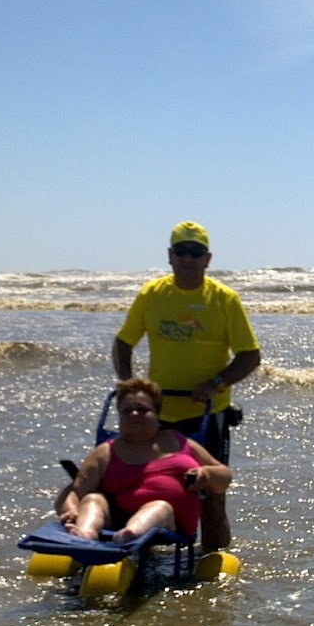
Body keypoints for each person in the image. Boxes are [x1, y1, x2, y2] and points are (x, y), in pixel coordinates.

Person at [111, 221, 260, 549]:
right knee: (142, 486)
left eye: (195, 252)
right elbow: (123, 342)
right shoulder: (153, 295)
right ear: (170, 255)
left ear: (208, 258)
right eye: (181, 250)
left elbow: (250, 356)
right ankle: (136, 549)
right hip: (156, 416)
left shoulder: (224, 300)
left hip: (208, 415)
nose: (187, 257)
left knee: (211, 494)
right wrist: (126, 383)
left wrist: (215, 384)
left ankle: (213, 559)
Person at [58, 379, 232, 543]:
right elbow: (76, 492)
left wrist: (207, 474)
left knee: (157, 506)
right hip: (117, 516)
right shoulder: (105, 452)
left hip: (168, 520)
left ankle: (130, 535)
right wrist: (71, 509)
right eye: (127, 410)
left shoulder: (177, 441)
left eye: (142, 410)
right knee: (92, 499)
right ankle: (85, 535)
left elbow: (225, 475)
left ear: (157, 415)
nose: (134, 414)